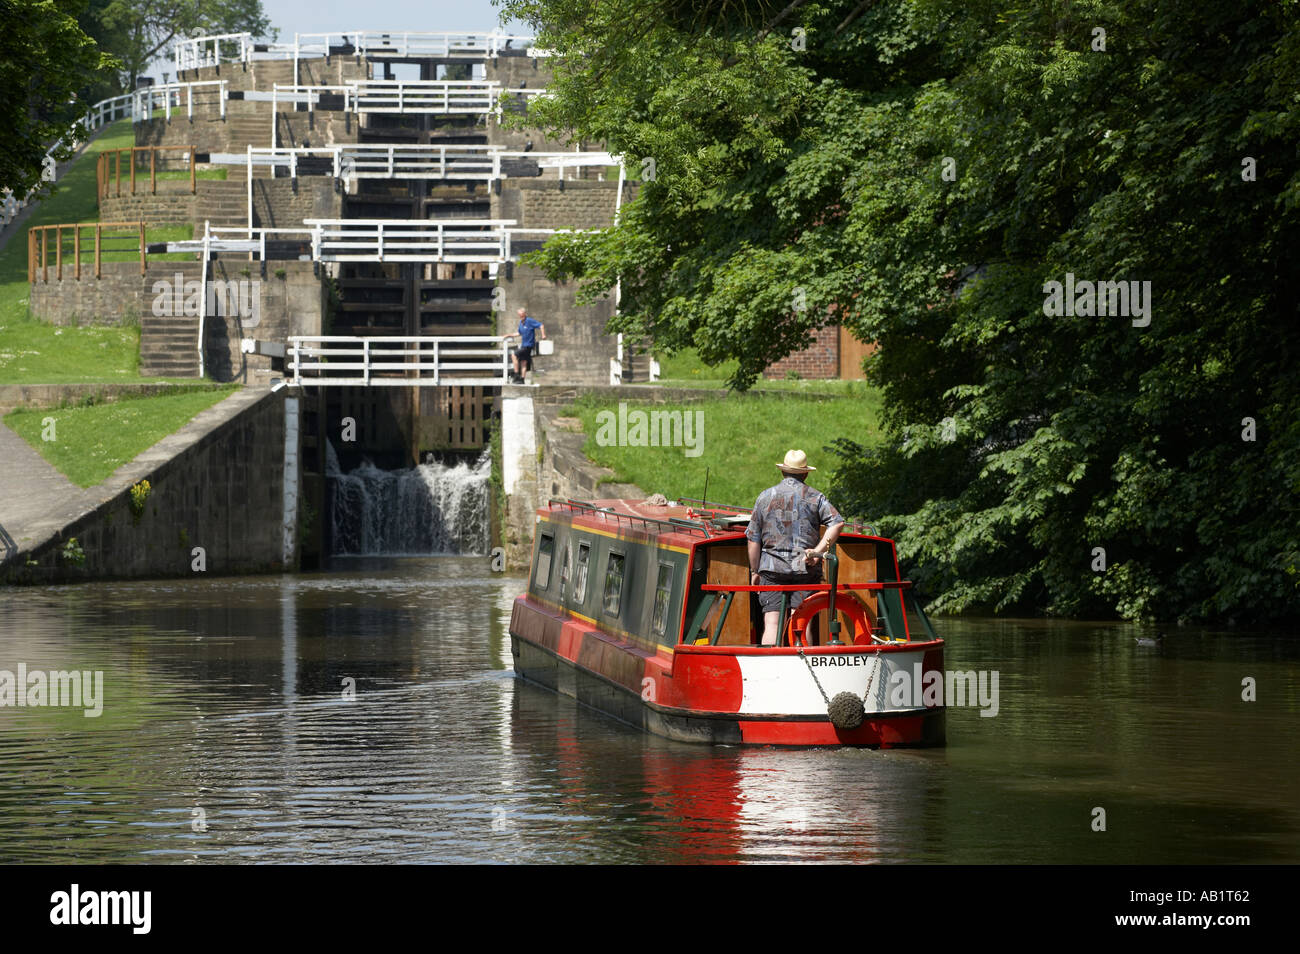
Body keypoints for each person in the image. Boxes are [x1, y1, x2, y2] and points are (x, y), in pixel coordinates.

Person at [745, 449, 844, 646]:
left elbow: (753, 538)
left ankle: (770, 665)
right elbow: (838, 522)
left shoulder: (764, 497)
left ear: (783, 472)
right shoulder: (816, 497)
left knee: (772, 623)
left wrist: (755, 571)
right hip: (803, 567)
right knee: (801, 623)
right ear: (805, 473)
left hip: (772, 569)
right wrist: (817, 551)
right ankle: (804, 665)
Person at [505, 307, 545, 383]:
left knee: (514, 355)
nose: (521, 316)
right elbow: (519, 333)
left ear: (525, 314)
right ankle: (522, 380)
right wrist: (508, 335)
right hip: (524, 345)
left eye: (522, 315)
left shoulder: (529, 321)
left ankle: (516, 374)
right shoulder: (521, 323)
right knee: (523, 362)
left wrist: (543, 335)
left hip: (528, 345)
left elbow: (541, 325)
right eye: (519, 315)